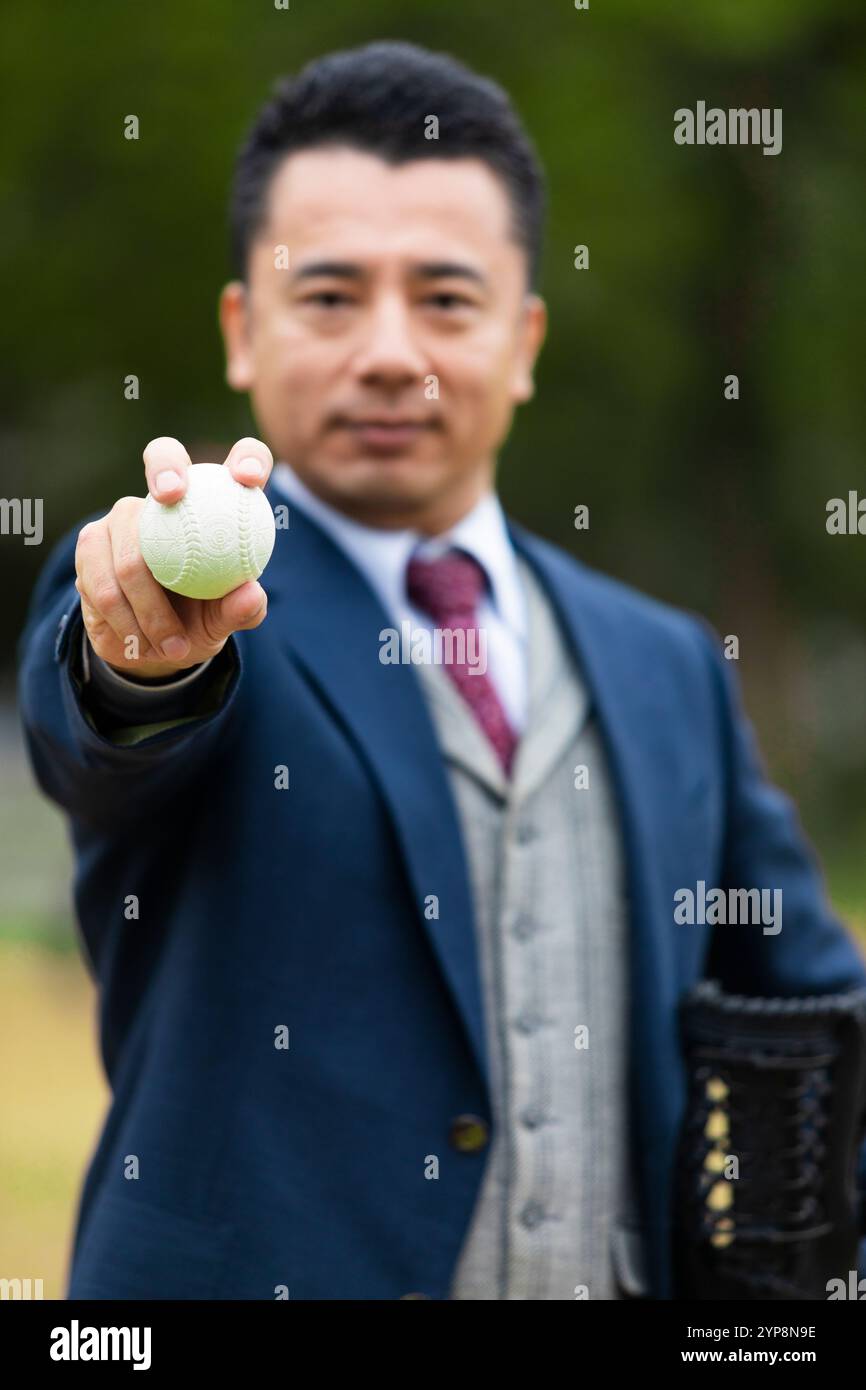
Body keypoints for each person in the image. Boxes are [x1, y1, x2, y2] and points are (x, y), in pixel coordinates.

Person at [17, 39, 866, 1301]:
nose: (387, 352)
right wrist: (140, 662)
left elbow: (818, 1014)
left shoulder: (665, 662)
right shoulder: (187, 600)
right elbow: (103, 720)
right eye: (329, 296)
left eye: (446, 300)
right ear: (243, 331)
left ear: (522, 339)